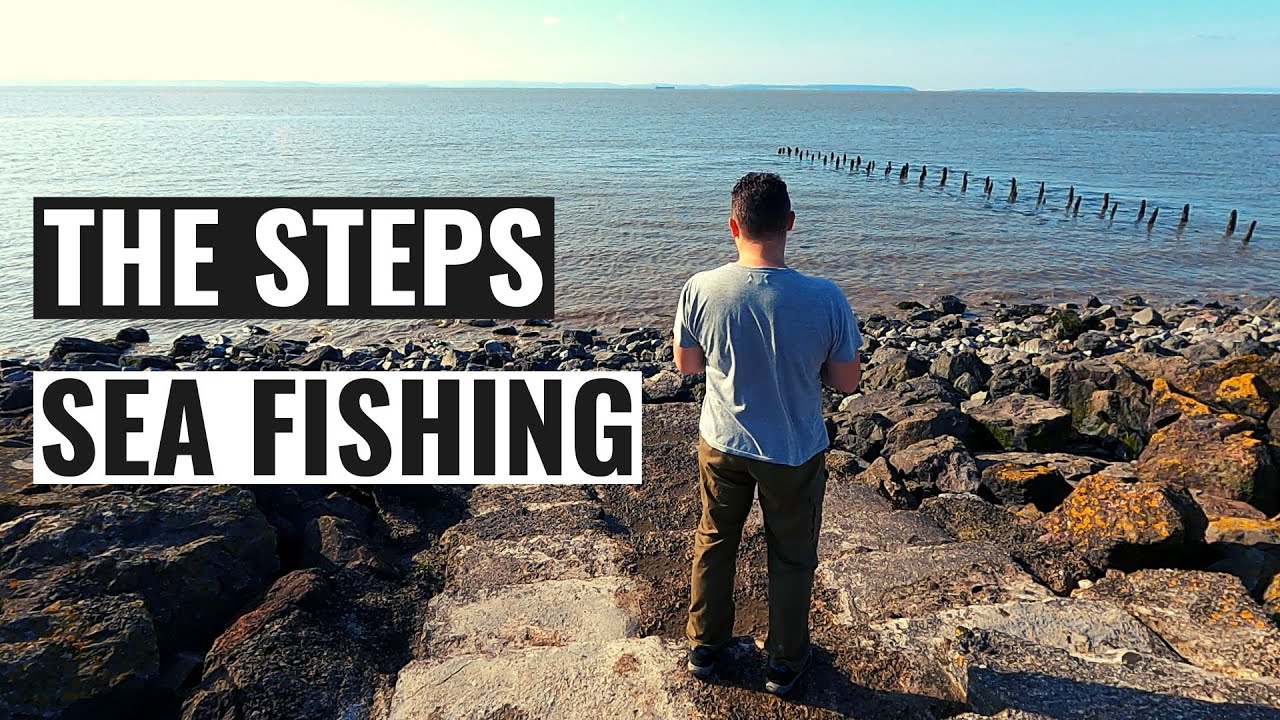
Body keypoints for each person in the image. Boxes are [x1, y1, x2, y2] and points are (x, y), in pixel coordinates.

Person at [672, 171, 862, 695]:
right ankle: (784, 661)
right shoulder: (825, 297)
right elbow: (846, 381)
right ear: (790, 224)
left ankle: (705, 647)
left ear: (733, 225)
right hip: (794, 449)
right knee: (793, 553)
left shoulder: (700, 288)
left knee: (714, 540)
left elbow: (687, 366)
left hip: (723, 441)